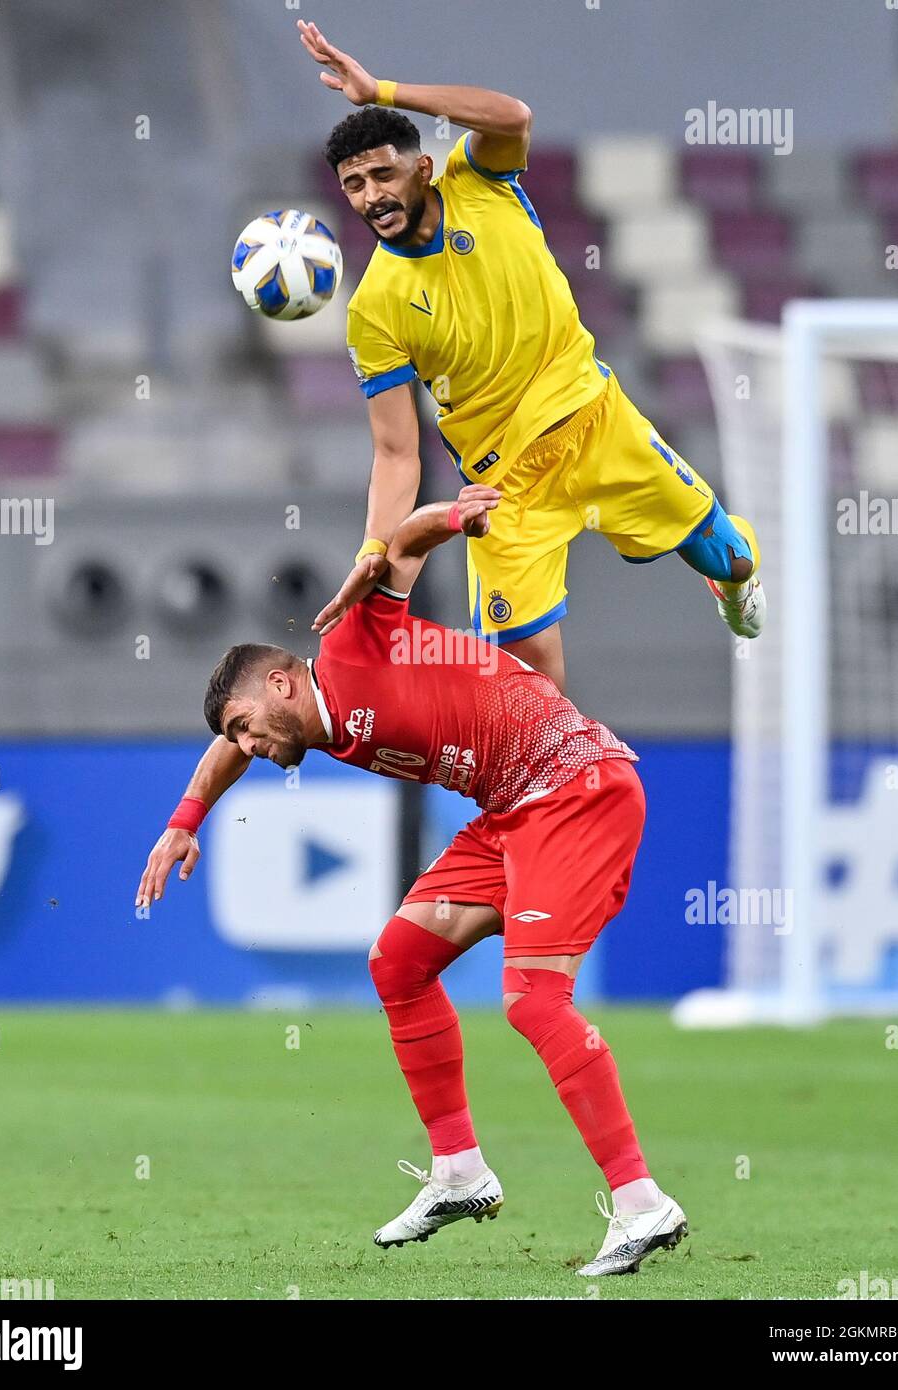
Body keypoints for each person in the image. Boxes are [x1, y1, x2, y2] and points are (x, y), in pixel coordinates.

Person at [136, 484, 688, 1277]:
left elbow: (401, 549)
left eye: (246, 724)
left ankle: (642, 1203)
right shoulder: (313, 728)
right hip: (510, 812)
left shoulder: (352, 647)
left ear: (284, 684)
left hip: (574, 788)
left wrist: (449, 520)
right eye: (237, 735)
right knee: (397, 961)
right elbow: (227, 751)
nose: (247, 746)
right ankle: (460, 1171)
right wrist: (185, 819)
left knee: (534, 1000)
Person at [297, 18, 764, 692]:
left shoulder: (478, 181)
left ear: (422, 167)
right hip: (504, 490)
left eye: (381, 174)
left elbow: (512, 114)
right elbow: (397, 452)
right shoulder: (373, 309)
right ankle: (563, 789)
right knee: (530, 681)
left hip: (597, 422)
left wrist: (384, 90)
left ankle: (729, 584)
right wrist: (376, 546)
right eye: (353, 185)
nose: (371, 195)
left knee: (734, 558)